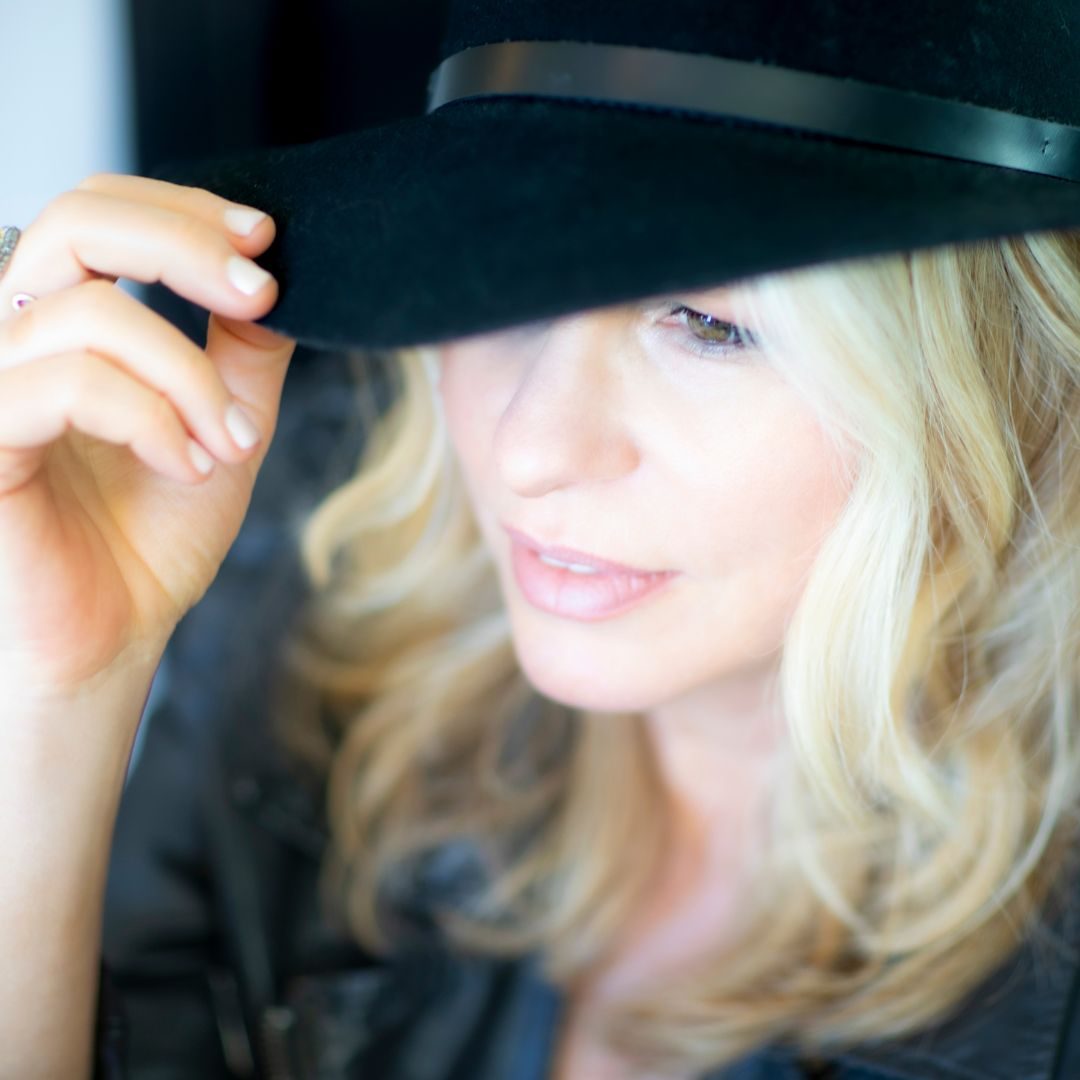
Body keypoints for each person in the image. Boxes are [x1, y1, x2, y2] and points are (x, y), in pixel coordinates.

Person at [3, 1, 1080, 1078]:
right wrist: (61, 692)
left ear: (992, 377)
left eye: (708, 325)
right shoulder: (303, 616)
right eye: (502, 288)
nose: (531, 448)